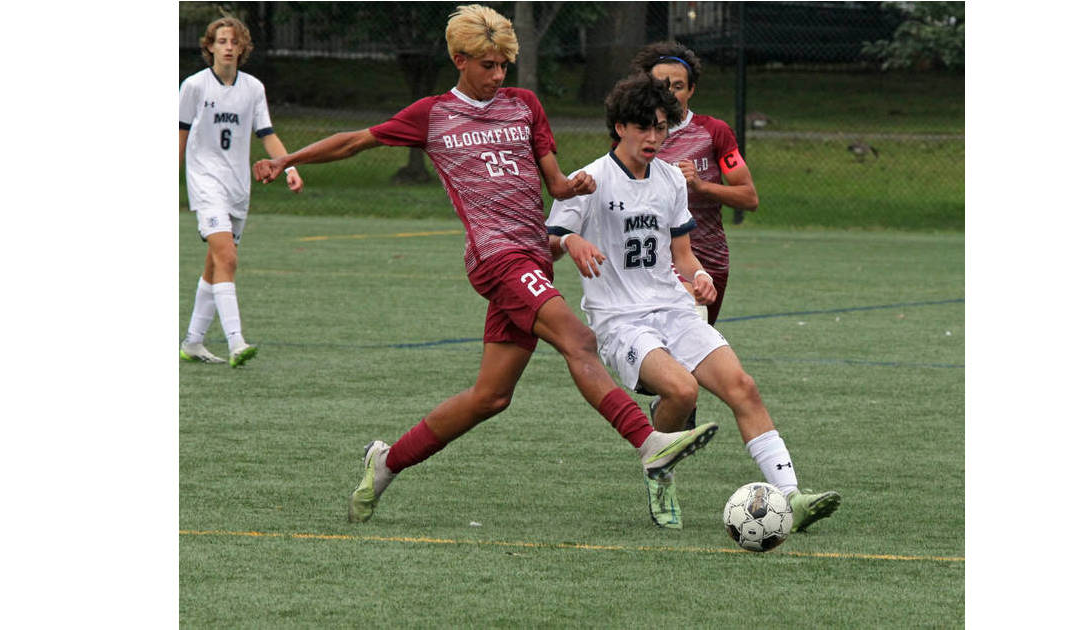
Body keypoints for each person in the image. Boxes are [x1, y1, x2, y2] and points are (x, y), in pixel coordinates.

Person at [251, 5, 718, 524]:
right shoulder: (432, 114)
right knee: (578, 340)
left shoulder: (524, 105)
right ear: (460, 60)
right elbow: (355, 142)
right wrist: (286, 159)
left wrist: (574, 190)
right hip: (495, 258)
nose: (499, 76)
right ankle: (648, 439)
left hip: (533, 258)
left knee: (491, 397)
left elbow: (557, 186)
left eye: (504, 66)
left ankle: (386, 462)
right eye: (488, 65)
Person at [546, 73, 839, 531]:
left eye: (662, 127)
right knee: (682, 390)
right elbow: (550, 240)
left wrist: (699, 276)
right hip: (621, 320)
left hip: (674, 308)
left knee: (742, 386)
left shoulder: (670, 180)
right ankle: (658, 466)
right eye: (644, 127)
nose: (654, 137)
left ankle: (792, 498)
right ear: (619, 126)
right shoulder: (591, 179)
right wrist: (571, 244)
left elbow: (682, 255)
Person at [179, 16, 303, 367]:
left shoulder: (253, 88)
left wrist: (289, 166)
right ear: (209, 47)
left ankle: (193, 341)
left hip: (237, 189)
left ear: (243, 47)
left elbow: (267, 135)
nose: (228, 47)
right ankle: (236, 342)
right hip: (205, 183)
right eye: (221, 41)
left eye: (234, 42)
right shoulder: (194, 87)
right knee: (228, 258)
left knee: (215, 263)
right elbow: (180, 137)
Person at [629, 41, 758, 327]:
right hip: (655, 258)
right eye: (661, 85)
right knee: (662, 349)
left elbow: (749, 197)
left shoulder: (714, 132)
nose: (669, 93)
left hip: (708, 258)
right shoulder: (633, 133)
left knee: (697, 351)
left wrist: (701, 186)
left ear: (691, 90)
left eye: (678, 85)